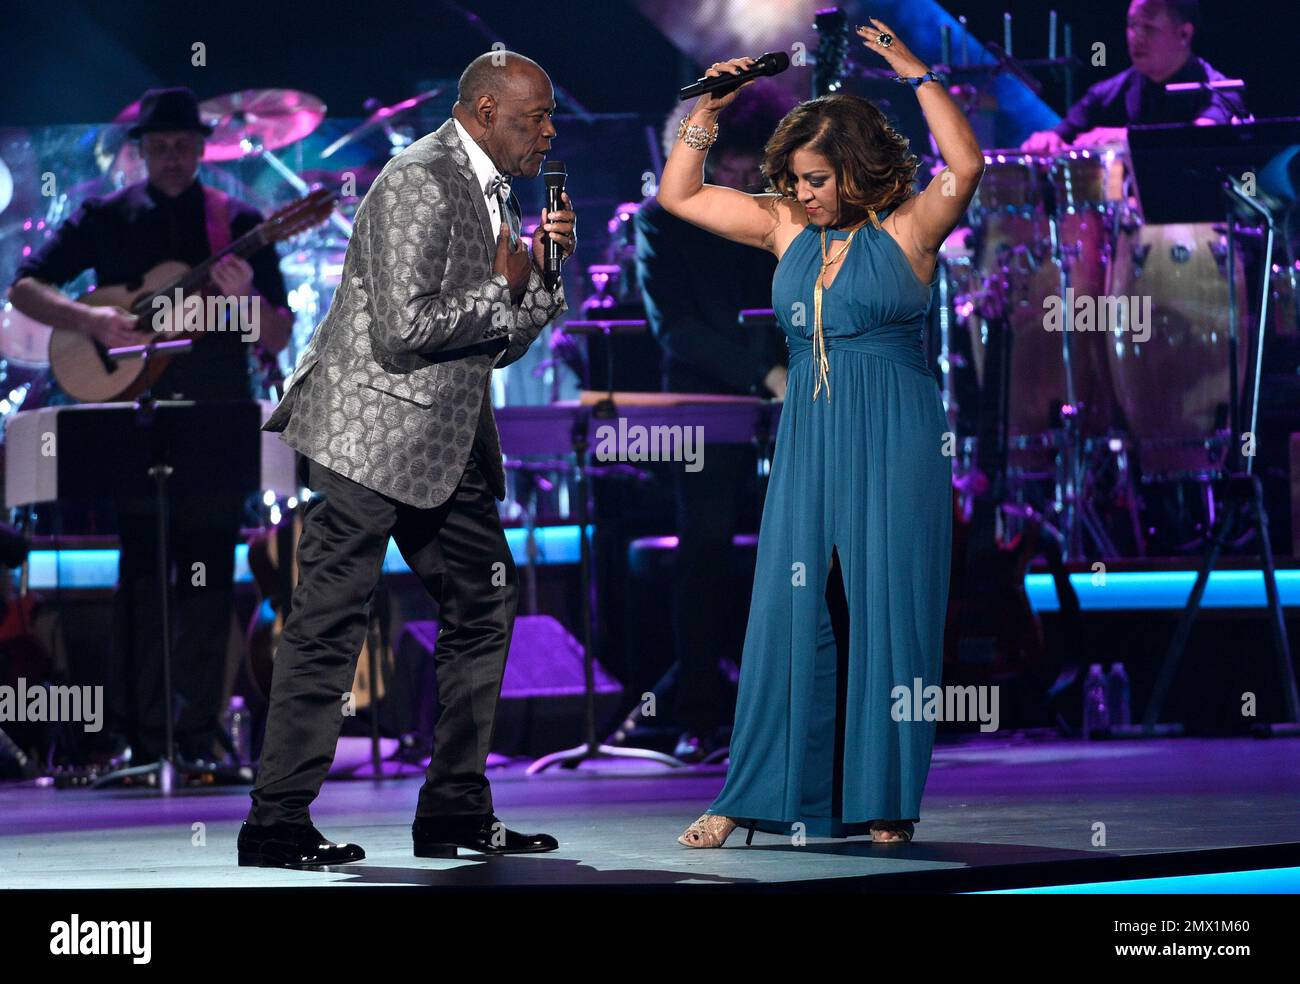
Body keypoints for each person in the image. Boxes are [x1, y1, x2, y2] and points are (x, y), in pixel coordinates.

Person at [236, 51, 576, 868]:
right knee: (328, 621)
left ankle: (455, 809)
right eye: (536, 118)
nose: (550, 132)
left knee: (485, 600)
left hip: (444, 442)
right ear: (488, 111)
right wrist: (503, 284)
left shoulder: (494, 190)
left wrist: (541, 274)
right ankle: (275, 822)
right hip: (369, 434)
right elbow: (405, 327)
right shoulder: (420, 178)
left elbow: (494, 346)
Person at [658, 18, 983, 847]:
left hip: (898, 431)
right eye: (793, 180)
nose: (801, 194)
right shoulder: (784, 229)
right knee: (785, 607)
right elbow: (681, 195)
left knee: (888, 609)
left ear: (854, 170)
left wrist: (918, 75)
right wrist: (707, 106)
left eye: (814, 180)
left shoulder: (909, 230)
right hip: (808, 431)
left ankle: (884, 804)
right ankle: (750, 795)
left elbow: (969, 165)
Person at [8, 86, 293, 767]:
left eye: (183, 146)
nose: (171, 158)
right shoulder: (104, 217)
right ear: (139, 152)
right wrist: (93, 321)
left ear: (202, 149)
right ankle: (136, 740)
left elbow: (277, 335)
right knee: (139, 575)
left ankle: (194, 738)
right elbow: (24, 286)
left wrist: (243, 300)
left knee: (207, 576)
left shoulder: (240, 220)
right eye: (159, 147)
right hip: (131, 414)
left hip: (214, 414)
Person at [634, 81, 793, 763]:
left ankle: (795, 710)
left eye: (751, 167)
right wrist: (761, 375)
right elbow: (678, 331)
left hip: (787, 397)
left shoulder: (776, 208)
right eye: (728, 166)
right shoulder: (662, 220)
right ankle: (699, 710)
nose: (741, 179)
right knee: (703, 549)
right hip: (704, 406)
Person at [1021, 0, 1246, 153]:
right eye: (1132, 26)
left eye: (1148, 28)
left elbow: (1202, 138)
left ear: (1183, 34)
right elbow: (1063, 133)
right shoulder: (1108, 92)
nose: (1135, 37)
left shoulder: (1219, 89)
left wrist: (1129, 139)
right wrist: (1048, 141)